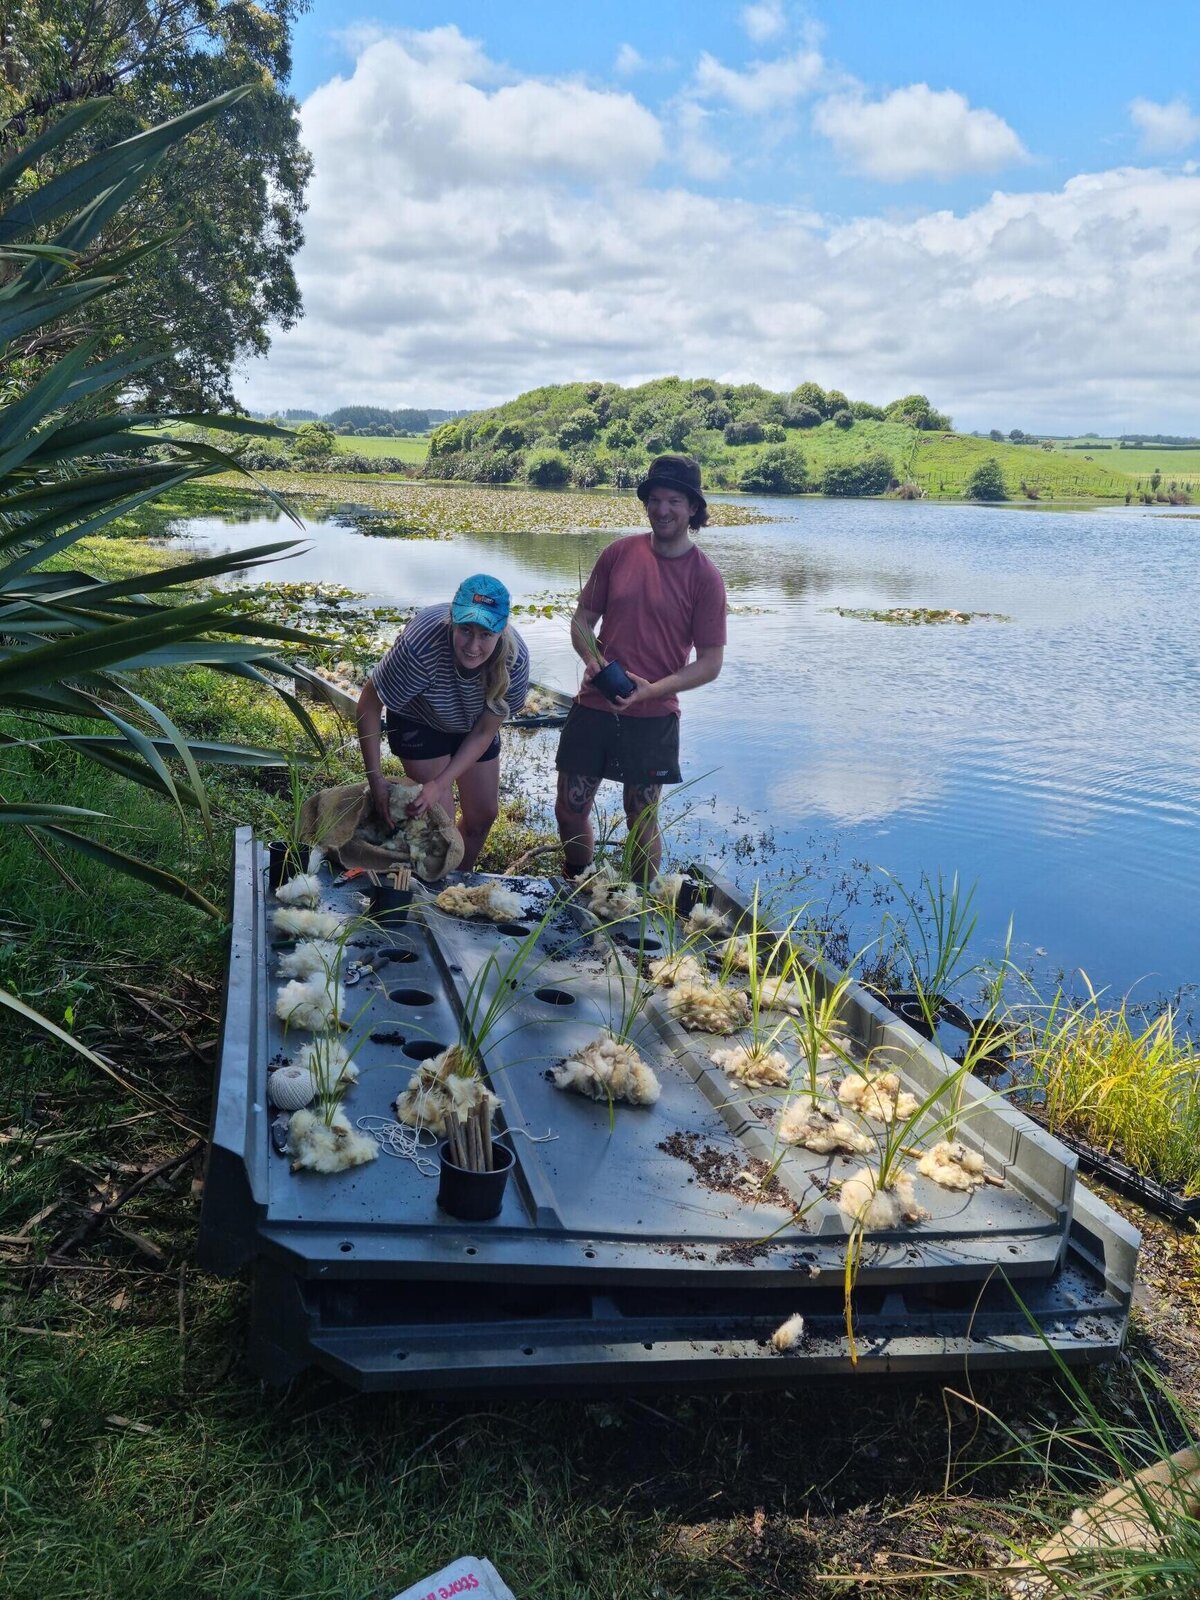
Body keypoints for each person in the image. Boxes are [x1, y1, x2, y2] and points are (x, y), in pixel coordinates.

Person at [555, 454, 726, 882]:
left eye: (674, 501)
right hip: (595, 703)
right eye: (655, 499)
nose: (662, 510)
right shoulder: (618, 554)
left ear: (693, 508)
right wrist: (593, 661)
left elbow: (710, 663)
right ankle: (577, 882)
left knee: (641, 817)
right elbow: (582, 620)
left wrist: (652, 690)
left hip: (654, 714)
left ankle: (639, 904)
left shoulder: (705, 577)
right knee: (569, 807)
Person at [356, 575, 530, 870]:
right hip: (419, 719)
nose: (473, 645)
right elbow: (370, 704)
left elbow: (485, 731)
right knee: (442, 823)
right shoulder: (421, 645)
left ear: (501, 631)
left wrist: (440, 782)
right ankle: (433, 883)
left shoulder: (515, 660)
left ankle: (457, 882)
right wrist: (376, 779)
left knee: (483, 815)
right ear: (452, 619)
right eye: (465, 630)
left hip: (471, 725)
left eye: (486, 634)